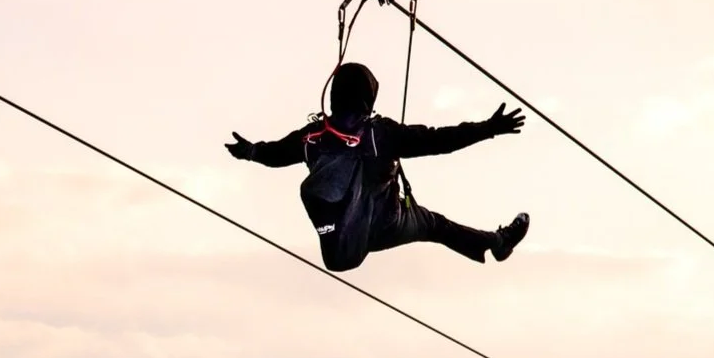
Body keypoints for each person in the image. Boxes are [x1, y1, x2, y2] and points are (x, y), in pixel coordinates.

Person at [225, 62, 528, 273]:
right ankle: (498, 243)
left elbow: (276, 154)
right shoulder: (380, 134)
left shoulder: (312, 136)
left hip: (345, 232)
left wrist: (250, 151)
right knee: (437, 226)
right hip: (387, 224)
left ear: (334, 97)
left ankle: (340, 213)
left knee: (337, 178)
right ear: (367, 99)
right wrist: (488, 128)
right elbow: (438, 140)